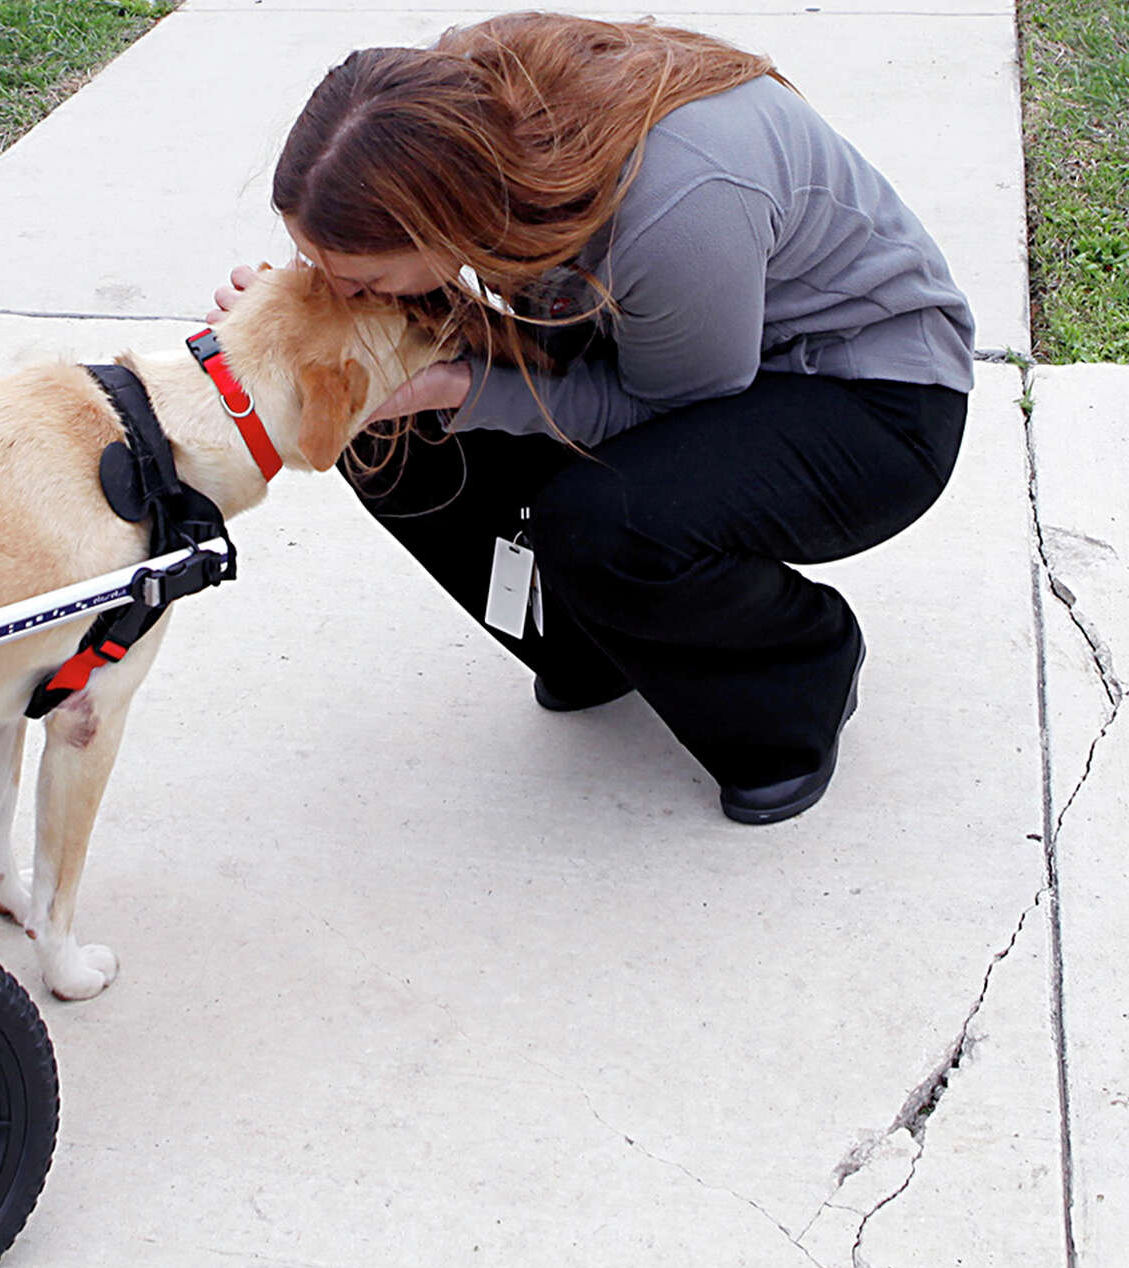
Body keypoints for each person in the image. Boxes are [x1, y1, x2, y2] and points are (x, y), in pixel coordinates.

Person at [211, 11, 973, 825]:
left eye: (357, 278)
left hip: (870, 396)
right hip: (671, 339)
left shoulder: (680, 203)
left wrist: (460, 388)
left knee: (608, 523)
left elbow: (673, 406)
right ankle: (587, 645)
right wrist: (293, 332)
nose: (340, 291)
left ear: (443, 220)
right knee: (387, 435)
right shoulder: (453, 120)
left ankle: (801, 672)